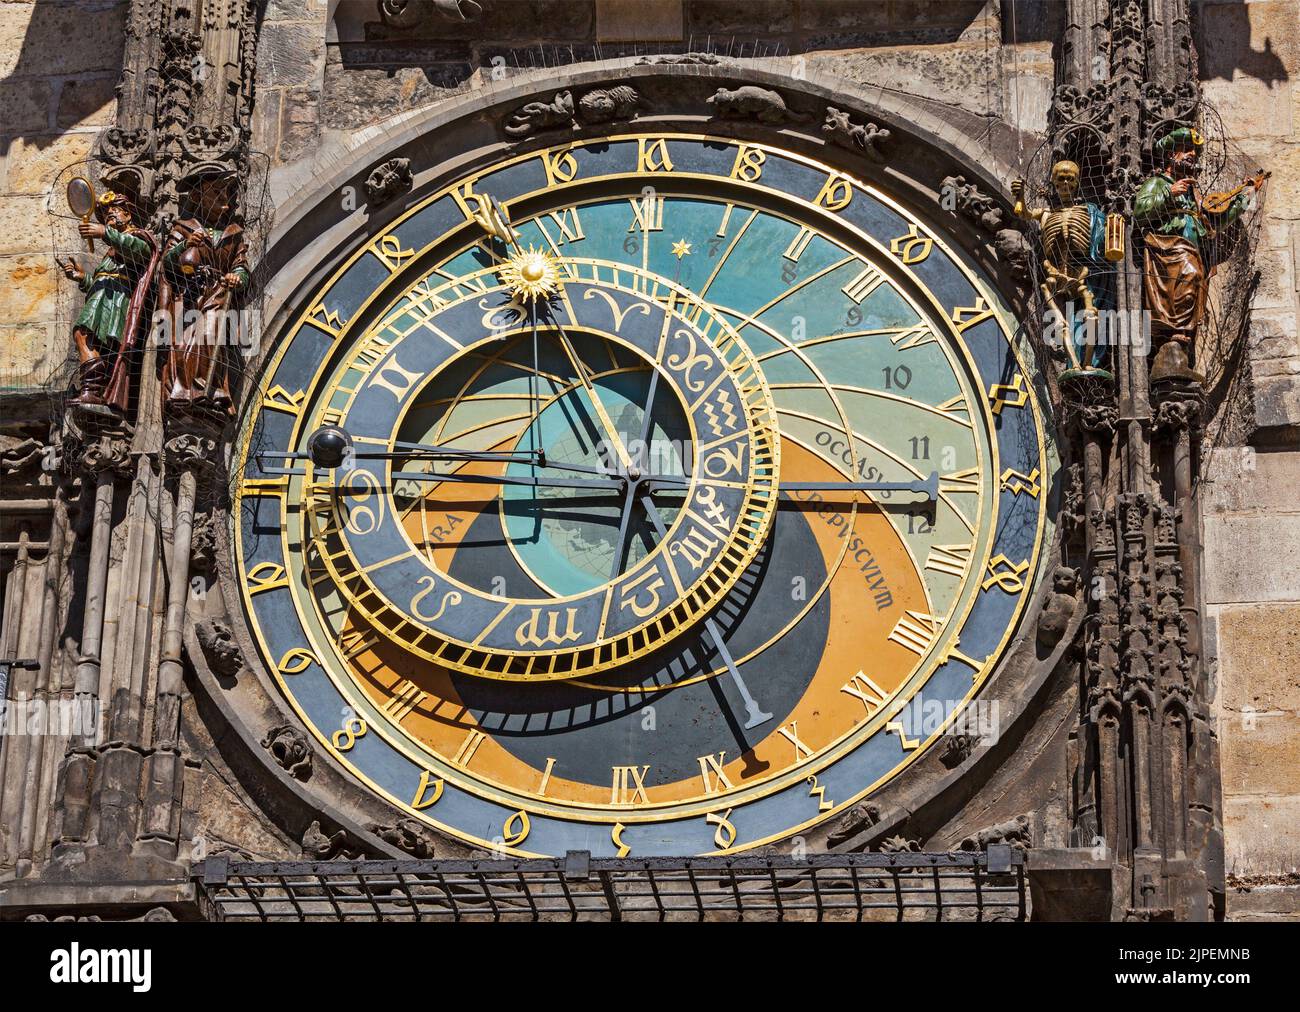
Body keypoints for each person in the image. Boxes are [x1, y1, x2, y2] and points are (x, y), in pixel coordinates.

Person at [1134, 127, 1258, 381]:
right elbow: (1140, 212)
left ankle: (1176, 353)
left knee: (1192, 288)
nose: (1191, 154)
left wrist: (1246, 195)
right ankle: (1168, 353)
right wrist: (1170, 193)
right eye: (1185, 149)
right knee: (1187, 283)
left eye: (1194, 151)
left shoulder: (1194, 194)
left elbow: (1214, 220)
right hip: (1168, 252)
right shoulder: (1158, 183)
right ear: (1171, 154)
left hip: (1190, 252)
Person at [159, 172, 251, 420]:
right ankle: (184, 391)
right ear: (199, 197)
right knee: (181, 343)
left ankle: (210, 390)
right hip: (188, 294)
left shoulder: (233, 233)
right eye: (217, 194)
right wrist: (185, 245)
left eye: (227, 195)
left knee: (210, 334)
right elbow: (167, 264)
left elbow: (241, 266)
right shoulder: (184, 229)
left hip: (218, 293)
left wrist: (237, 278)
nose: (225, 201)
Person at [1012, 160, 1116, 375]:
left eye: (1070, 179)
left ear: (1077, 183)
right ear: (1054, 183)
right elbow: (1023, 213)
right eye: (1061, 179)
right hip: (1055, 273)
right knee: (1060, 320)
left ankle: (1086, 364)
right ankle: (1074, 364)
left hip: (1081, 274)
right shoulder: (1046, 214)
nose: (1066, 184)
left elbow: (1100, 238)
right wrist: (1019, 196)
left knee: (1091, 315)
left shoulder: (1089, 212)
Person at [58, 191, 157, 416]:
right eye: (105, 217)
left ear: (128, 213)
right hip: (103, 296)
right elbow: (103, 279)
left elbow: (140, 252)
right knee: (87, 337)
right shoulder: (112, 249)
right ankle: (94, 388)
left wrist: (104, 232)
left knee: (85, 335)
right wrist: (82, 278)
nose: (108, 218)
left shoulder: (138, 237)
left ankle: (93, 388)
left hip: (117, 301)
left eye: (113, 214)